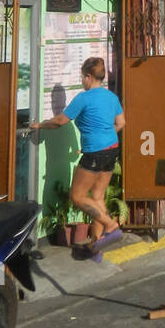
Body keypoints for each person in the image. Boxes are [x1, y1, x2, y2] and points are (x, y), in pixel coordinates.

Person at [31, 56, 125, 256]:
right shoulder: (111, 97)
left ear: (89, 77)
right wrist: (104, 139)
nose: (82, 81)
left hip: (95, 152)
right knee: (98, 196)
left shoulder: (84, 97)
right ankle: (95, 245)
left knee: (77, 197)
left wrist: (39, 125)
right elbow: (121, 123)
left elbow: (60, 121)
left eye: (83, 77)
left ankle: (110, 225)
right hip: (111, 148)